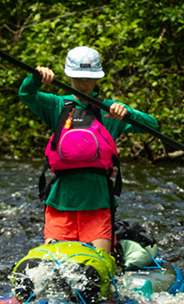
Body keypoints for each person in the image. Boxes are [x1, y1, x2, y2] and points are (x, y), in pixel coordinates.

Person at [15, 46, 159, 253]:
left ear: (97, 79)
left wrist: (128, 114)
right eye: (78, 77)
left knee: (97, 262)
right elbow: (27, 94)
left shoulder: (110, 110)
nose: (83, 83)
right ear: (69, 76)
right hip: (60, 201)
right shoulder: (56, 105)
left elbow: (152, 126)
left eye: (88, 78)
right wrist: (36, 78)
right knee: (55, 264)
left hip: (97, 201)